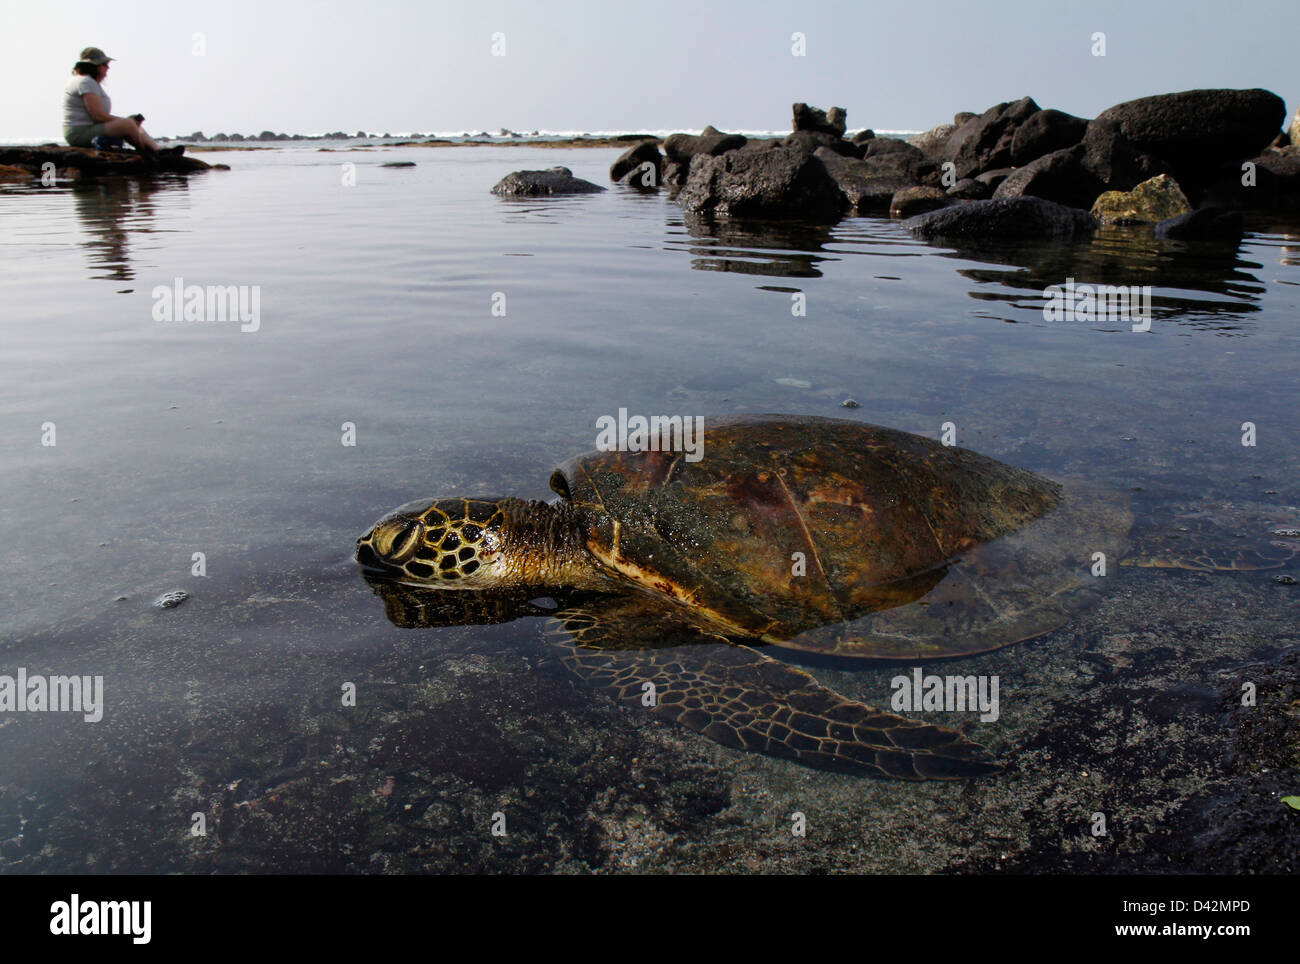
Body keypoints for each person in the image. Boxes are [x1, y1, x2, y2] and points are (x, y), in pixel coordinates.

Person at [62, 47, 180, 156]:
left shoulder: (88, 82)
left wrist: (129, 122)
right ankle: (146, 153)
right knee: (129, 124)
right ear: (96, 67)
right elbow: (97, 115)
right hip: (80, 133)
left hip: (86, 129)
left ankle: (158, 150)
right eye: (105, 64)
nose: (108, 67)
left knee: (132, 124)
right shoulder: (86, 82)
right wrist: (127, 122)